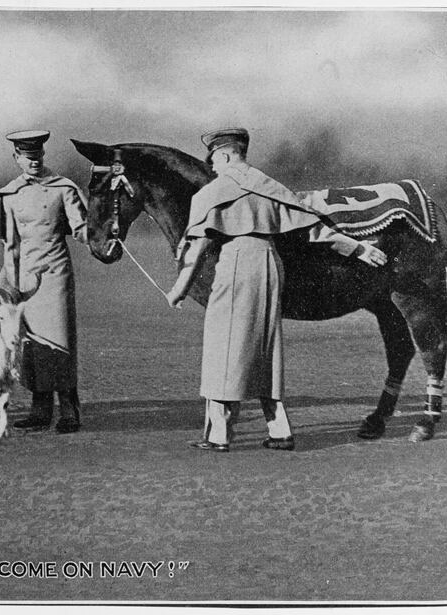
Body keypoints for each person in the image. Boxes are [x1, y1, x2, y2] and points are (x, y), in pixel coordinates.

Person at [166, 128, 387, 452]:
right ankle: (280, 429)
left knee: (222, 348)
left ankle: (219, 435)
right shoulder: (270, 187)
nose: (211, 166)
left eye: (213, 159)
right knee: (266, 347)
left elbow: (198, 248)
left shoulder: (212, 193)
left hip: (236, 264)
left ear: (226, 155)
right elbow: (314, 230)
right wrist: (358, 249)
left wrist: (179, 289)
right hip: (270, 265)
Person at [0, 130, 88, 434]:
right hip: (24, 279)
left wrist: (103, 237)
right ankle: (40, 409)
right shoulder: (9, 194)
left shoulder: (63, 188)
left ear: (43, 155)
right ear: (17, 158)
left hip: (56, 275)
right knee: (32, 345)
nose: (33, 162)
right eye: (27, 157)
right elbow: (10, 245)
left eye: (37, 156)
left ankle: (69, 410)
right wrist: (9, 285)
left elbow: (82, 229)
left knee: (60, 341)